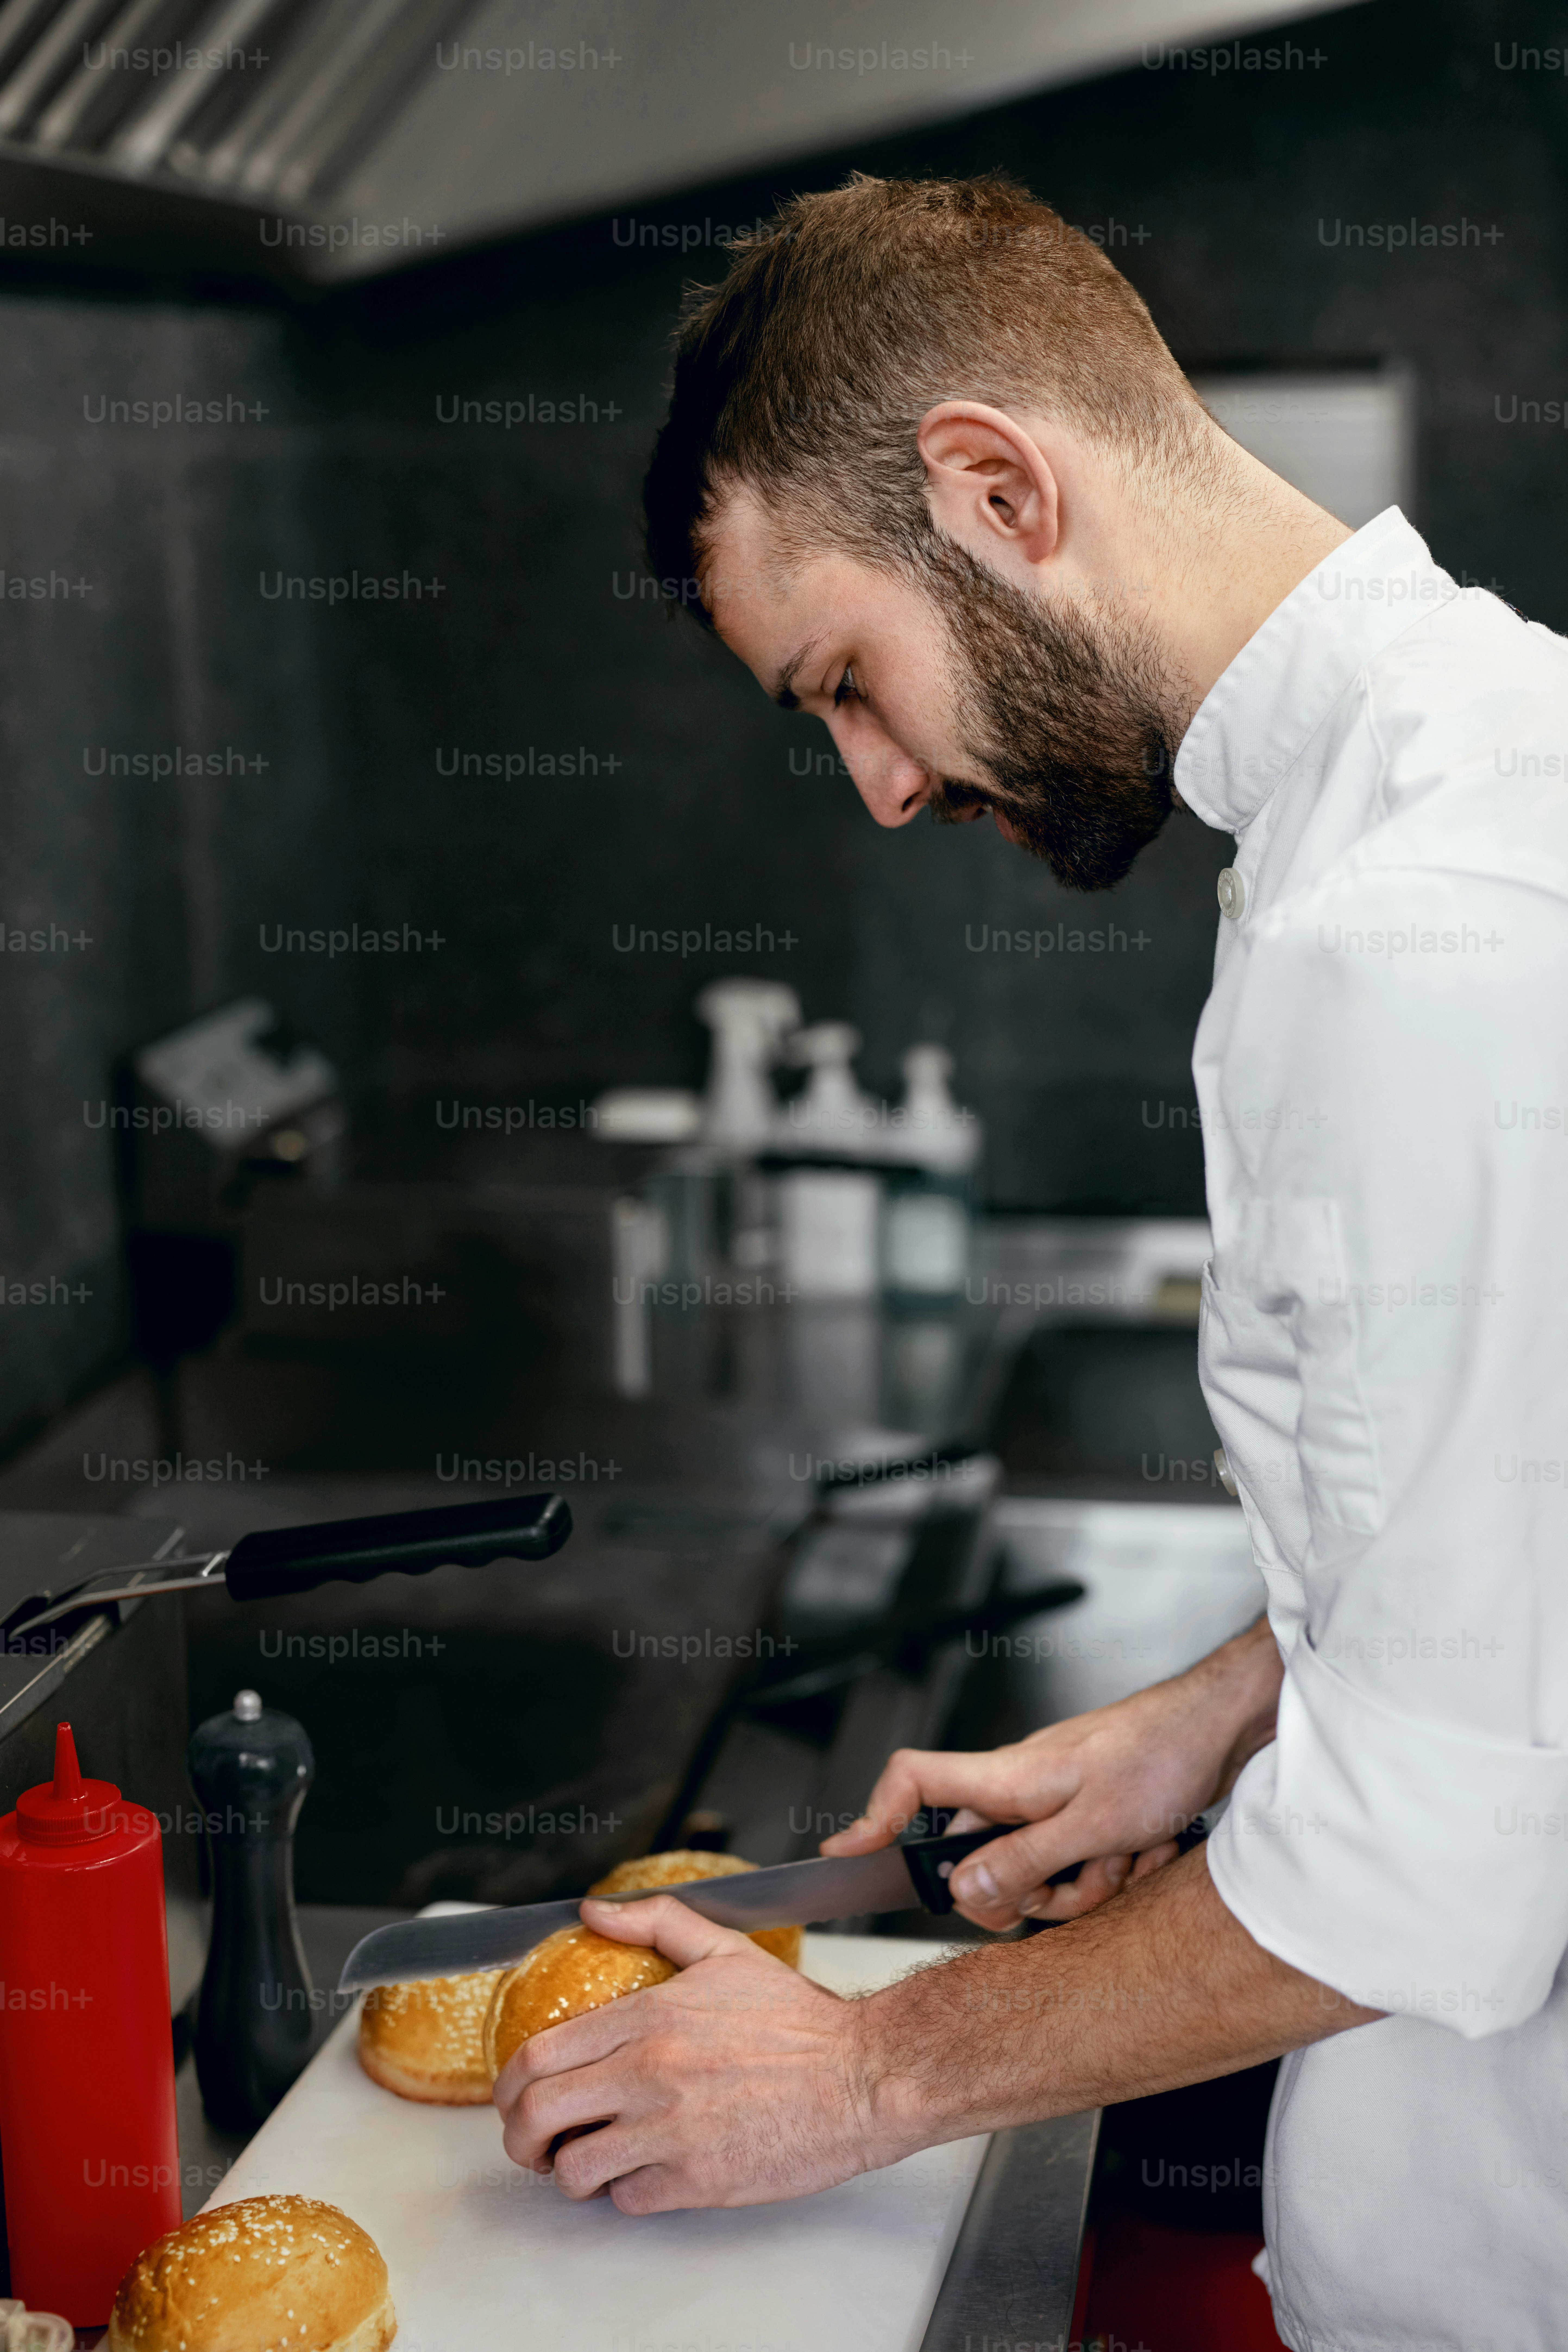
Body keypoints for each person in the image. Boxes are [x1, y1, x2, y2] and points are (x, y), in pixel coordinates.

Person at [494, 174, 1568, 2350]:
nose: (877, 787)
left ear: (992, 488)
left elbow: (1434, 1868)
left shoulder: (1424, 939)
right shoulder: (1439, 792)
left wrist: (865, 2074)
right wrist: (1209, 1716)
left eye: (846, 685)